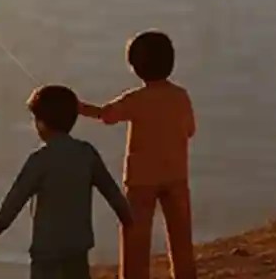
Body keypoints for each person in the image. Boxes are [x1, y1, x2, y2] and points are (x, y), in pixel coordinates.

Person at [0, 85, 133, 279]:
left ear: (41, 124)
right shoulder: (86, 153)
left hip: (47, 249)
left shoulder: (40, 160)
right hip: (78, 245)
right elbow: (111, 191)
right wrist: (127, 217)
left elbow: (16, 198)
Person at [79, 30, 197, 279]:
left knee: (135, 240)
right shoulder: (180, 96)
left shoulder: (136, 99)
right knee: (181, 237)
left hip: (141, 179)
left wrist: (78, 107)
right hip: (176, 175)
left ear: (135, 66)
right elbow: (189, 130)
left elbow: (106, 115)